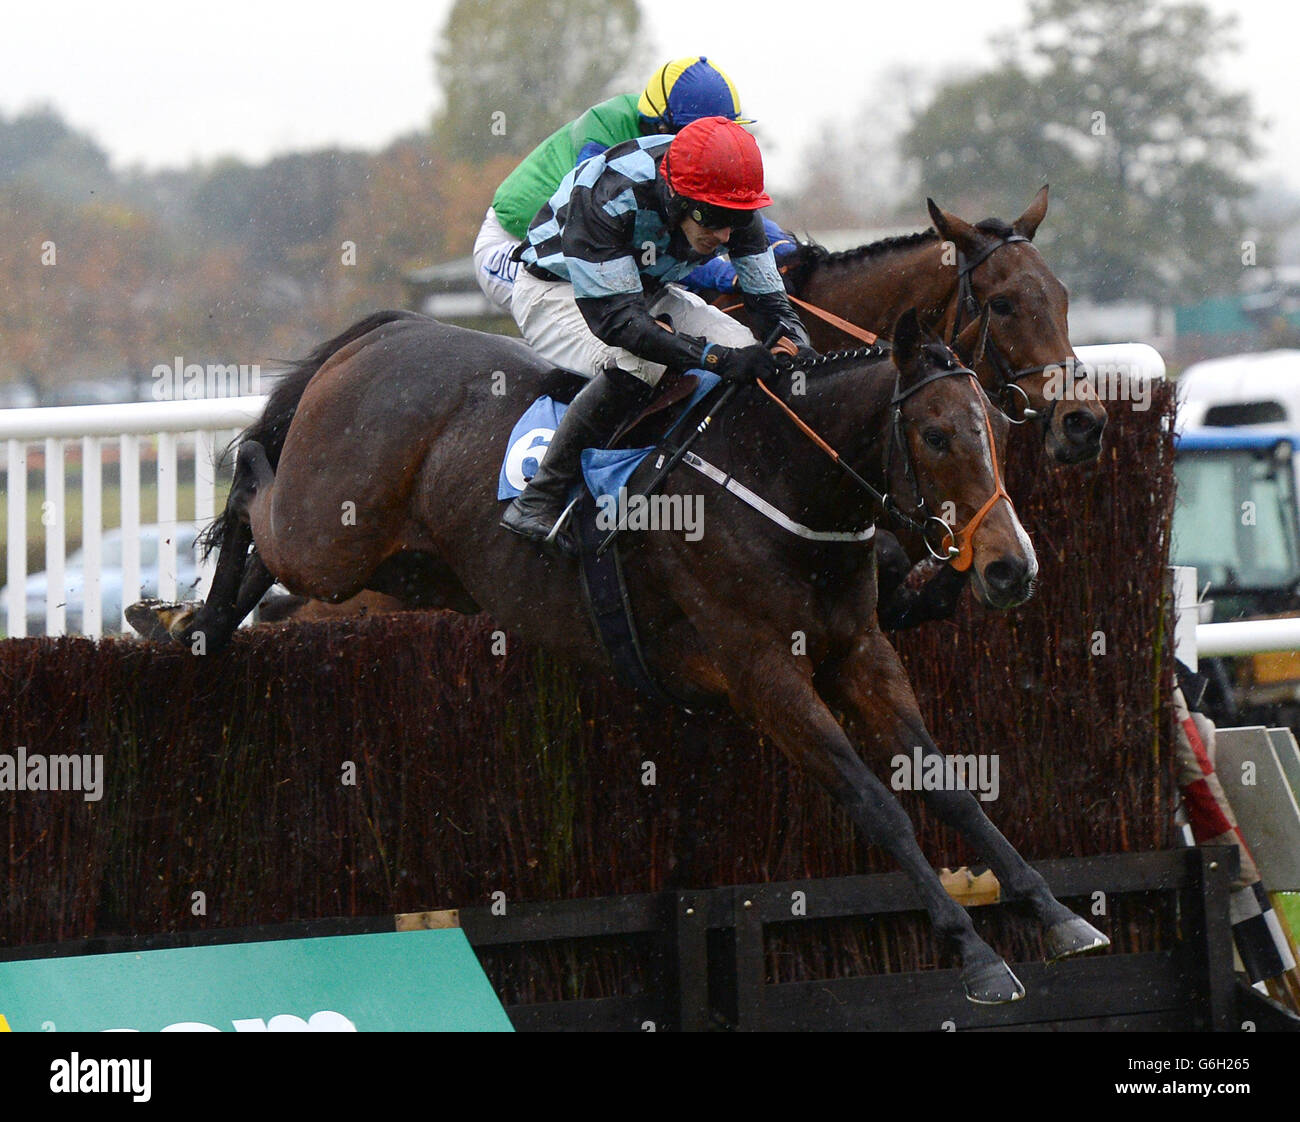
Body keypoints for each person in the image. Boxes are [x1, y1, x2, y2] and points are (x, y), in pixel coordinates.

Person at [501, 116, 815, 556]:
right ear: (675, 194)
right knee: (643, 362)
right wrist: (715, 359)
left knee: (748, 346)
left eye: (736, 219)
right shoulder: (608, 195)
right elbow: (621, 325)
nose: (725, 234)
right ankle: (539, 497)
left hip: (642, 289)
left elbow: (771, 302)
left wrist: (795, 339)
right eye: (712, 218)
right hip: (558, 290)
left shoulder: (727, 196)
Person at [473, 56, 750, 313]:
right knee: (609, 323)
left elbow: (734, 219)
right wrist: (725, 274)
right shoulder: (603, 135)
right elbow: (610, 240)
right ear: (663, 127)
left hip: (590, 255)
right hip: (518, 250)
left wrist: (781, 249)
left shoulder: (670, 140)